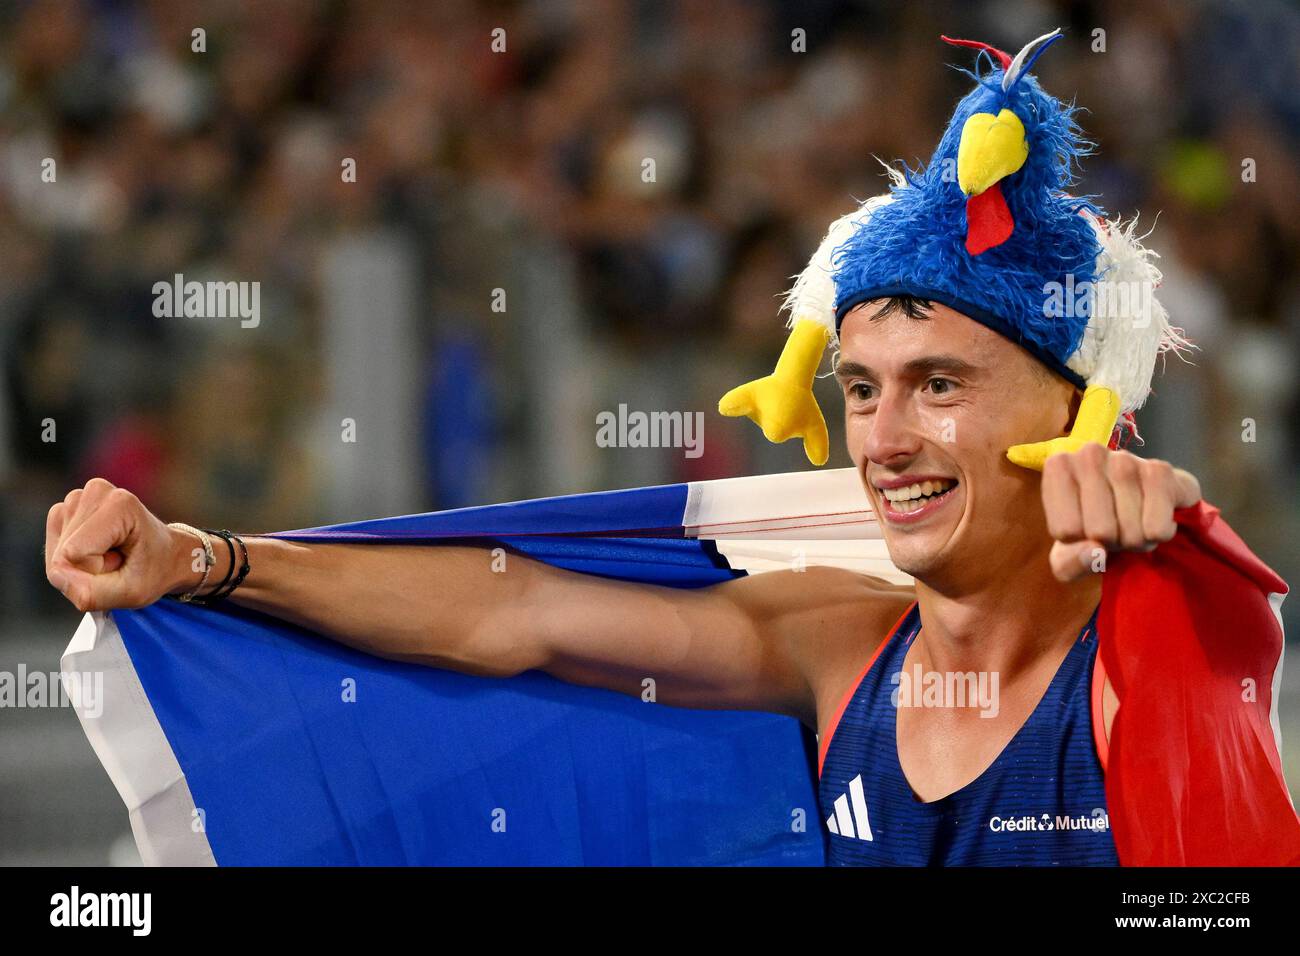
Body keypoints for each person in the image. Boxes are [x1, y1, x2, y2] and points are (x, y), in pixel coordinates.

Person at [41, 30, 1298, 865]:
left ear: (1076, 413)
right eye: (860, 388)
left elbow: (1229, 663)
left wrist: (1173, 548)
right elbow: (514, 611)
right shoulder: (839, 647)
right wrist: (201, 560)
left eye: (940, 384)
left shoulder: (1154, 644)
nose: (885, 438)